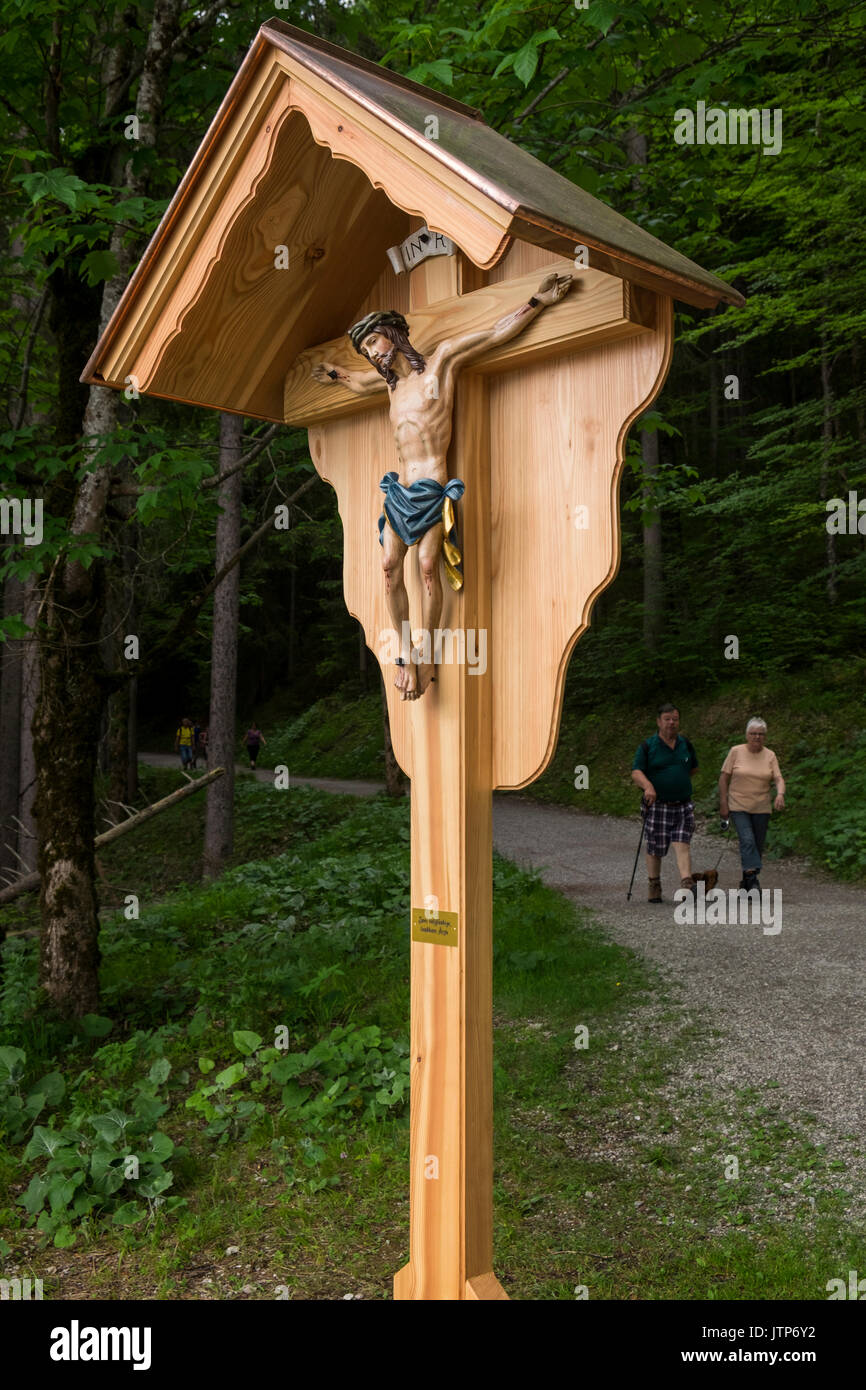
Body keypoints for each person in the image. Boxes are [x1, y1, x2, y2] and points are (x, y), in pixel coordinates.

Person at [312, 271, 573, 701]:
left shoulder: (441, 362)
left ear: (393, 334)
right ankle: (405, 653)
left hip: (431, 488)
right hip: (400, 491)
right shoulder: (388, 386)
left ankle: (426, 651)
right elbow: (356, 382)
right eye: (366, 350)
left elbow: (493, 334)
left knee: (429, 567)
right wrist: (335, 373)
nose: (372, 354)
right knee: (388, 568)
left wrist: (537, 302)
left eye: (374, 342)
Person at [631, 703, 716, 903]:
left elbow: (693, 768)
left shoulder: (685, 744)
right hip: (658, 804)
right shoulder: (647, 746)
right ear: (659, 721)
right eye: (667, 719)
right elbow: (636, 772)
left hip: (683, 804)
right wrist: (648, 786)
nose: (672, 723)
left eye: (675, 719)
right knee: (655, 847)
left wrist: (677, 781)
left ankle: (687, 883)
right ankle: (654, 884)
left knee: (682, 842)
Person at [718, 717, 786, 892]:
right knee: (747, 840)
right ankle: (752, 881)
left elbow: (778, 778)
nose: (757, 737)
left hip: (761, 807)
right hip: (738, 805)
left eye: (761, 734)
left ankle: (745, 882)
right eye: (753, 733)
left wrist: (780, 794)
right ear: (747, 735)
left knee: (756, 844)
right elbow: (724, 777)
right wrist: (723, 802)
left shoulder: (770, 755)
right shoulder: (736, 751)